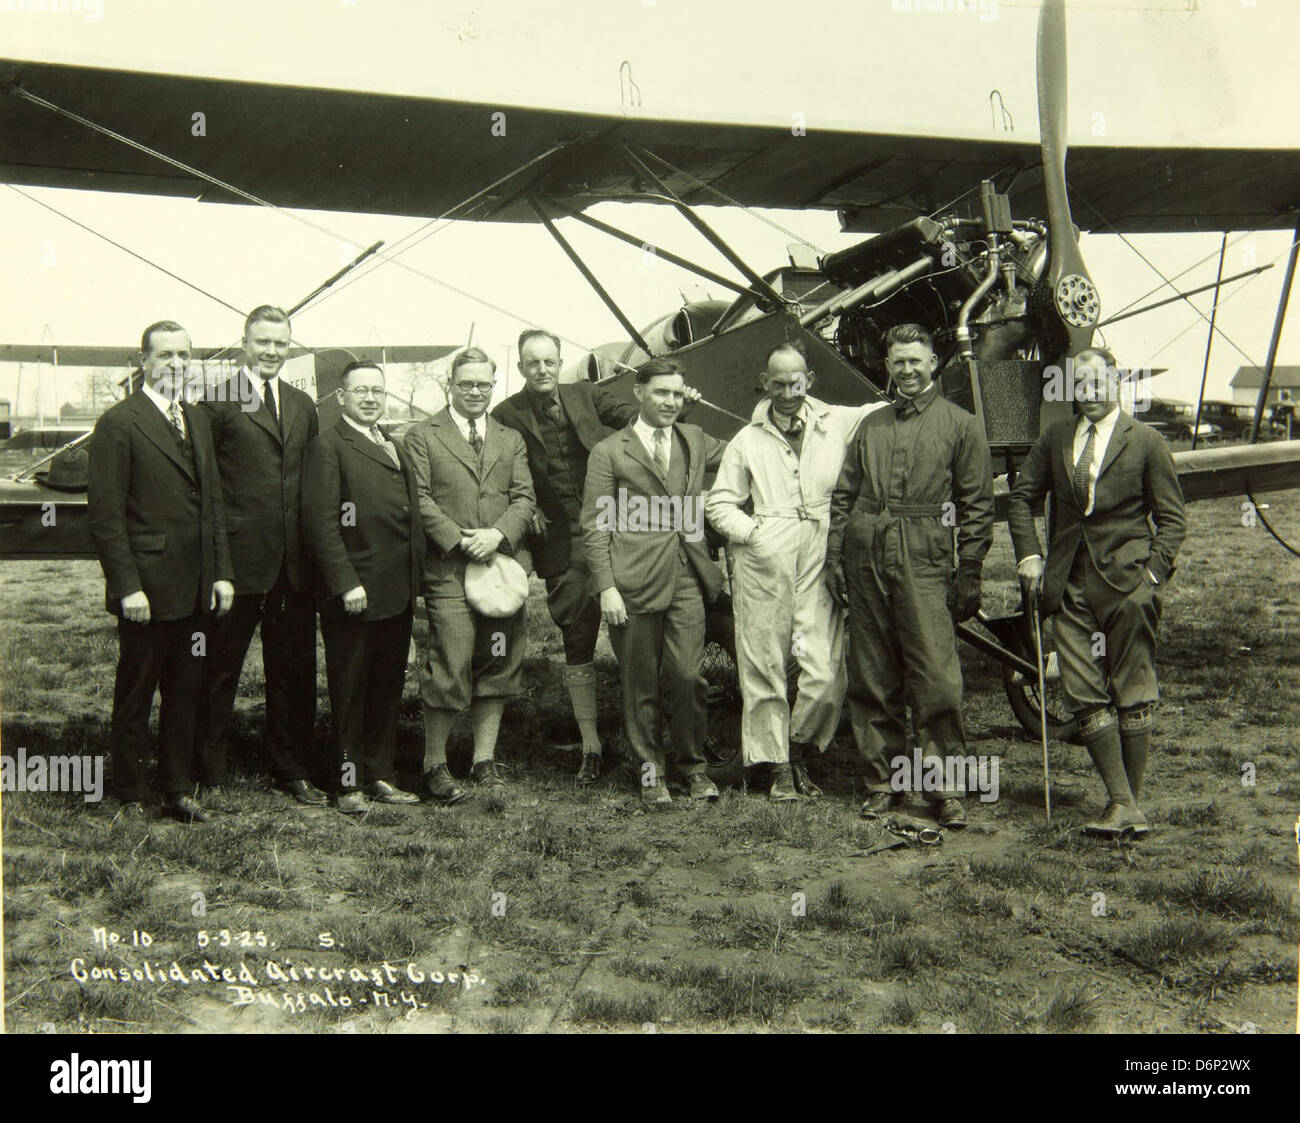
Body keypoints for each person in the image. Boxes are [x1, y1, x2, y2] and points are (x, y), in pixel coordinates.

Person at [1008, 348, 1186, 837]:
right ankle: (1124, 804)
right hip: (1068, 583)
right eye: (1078, 385)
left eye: (1096, 384)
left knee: (1132, 685)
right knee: (1082, 690)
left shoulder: (1146, 441)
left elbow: (1172, 519)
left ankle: (1125, 805)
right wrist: (1030, 555)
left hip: (1128, 585)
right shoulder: (1056, 437)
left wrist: (1150, 579)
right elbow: (1021, 498)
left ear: (1117, 382)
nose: (1087, 394)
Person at [826, 323, 994, 828]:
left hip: (923, 554)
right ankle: (886, 781)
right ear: (887, 366)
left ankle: (947, 787)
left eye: (916, 361)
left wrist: (970, 570)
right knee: (873, 674)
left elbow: (977, 506)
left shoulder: (961, 424)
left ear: (934, 363)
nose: (907, 370)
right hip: (866, 552)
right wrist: (836, 557)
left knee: (936, 677)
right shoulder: (872, 425)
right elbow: (844, 494)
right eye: (898, 361)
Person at [706, 340, 886, 800]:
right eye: (778, 383)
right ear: (764, 384)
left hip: (822, 551)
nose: (788, 392)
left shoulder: (836, 421)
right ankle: (777, 767)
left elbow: (884, 408)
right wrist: (753, 534)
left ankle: (799, 745)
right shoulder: (747, 440)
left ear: (810, 380)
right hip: (765, 555)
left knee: (824, 669)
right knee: (763, 661)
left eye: (796, 381)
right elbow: (720, 503)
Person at [87, 320, 234, 822]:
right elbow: (106, 517)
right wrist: (127, 585)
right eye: (165, 355)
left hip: (195, 590)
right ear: (143, 360)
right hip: (147, 590)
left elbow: (212, 503)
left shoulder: (195, 419)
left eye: (183, 355)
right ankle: (129, 793)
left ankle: (177, 788)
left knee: (186, 691)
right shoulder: (119, 422)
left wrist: (220, 573)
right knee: (136, 693)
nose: (175, 364)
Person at [491, 328, 638, 783]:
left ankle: (641, 739)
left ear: (560, 362)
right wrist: (526, 506)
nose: (542, 369)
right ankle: (590, 744)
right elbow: (497, 472)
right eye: (532, 362)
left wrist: (675, 402)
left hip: (615, 528)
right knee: (577, 637)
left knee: (633, 632)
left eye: (549, 361)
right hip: (561, 539)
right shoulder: (506, 413)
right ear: (520, 367)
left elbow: (635, 414)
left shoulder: (588, 395)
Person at [582, 357, 729, 806]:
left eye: (678, 393)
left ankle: (693, 767)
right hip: (633, 581)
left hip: (687, 576)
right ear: (639, 393)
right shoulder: (609, 451)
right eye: (661, 392)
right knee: (639, 682)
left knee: (688, 677)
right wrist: (606, 586)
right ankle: (650, 772)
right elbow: (595, 524)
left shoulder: (694, 438)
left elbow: (750, 446)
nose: (670, 400)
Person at [199, 306, 324, 805]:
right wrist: (218, 565)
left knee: (293, 671)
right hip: (239, 563)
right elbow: (206, 490)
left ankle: (290, 769)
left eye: (280, 343)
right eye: (263, 342)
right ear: (244, 343)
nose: (272, 351)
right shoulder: (217, 401)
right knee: (218, 669)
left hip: (293, 567)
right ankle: (207, 771)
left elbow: (312, 483)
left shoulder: (301, 404)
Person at [402, 348, 536, 801]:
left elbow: (524, 498)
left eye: (483, 384)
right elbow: (418, 498)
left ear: (492, 386)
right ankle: (434, 764)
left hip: (499, 571)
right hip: (450, 572)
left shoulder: (509, 438)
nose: (475, 392)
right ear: (450, 386)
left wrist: (498, 535)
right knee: (451, 661)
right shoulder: (422, 436)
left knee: (498, 659)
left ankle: (484, 761)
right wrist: (461, 540)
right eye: (466, 384)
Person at [302, 361, 424, 813]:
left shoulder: (391, 443)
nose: (370, 398)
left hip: (395, 592)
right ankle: (348, 783)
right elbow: (321, 525)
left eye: (377, 390)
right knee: (350, 692)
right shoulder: (328, 446)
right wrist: (345, 582)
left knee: (386, 688)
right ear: (342, 398)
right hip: (355, 594)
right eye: (360, 391)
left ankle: (380, 775)